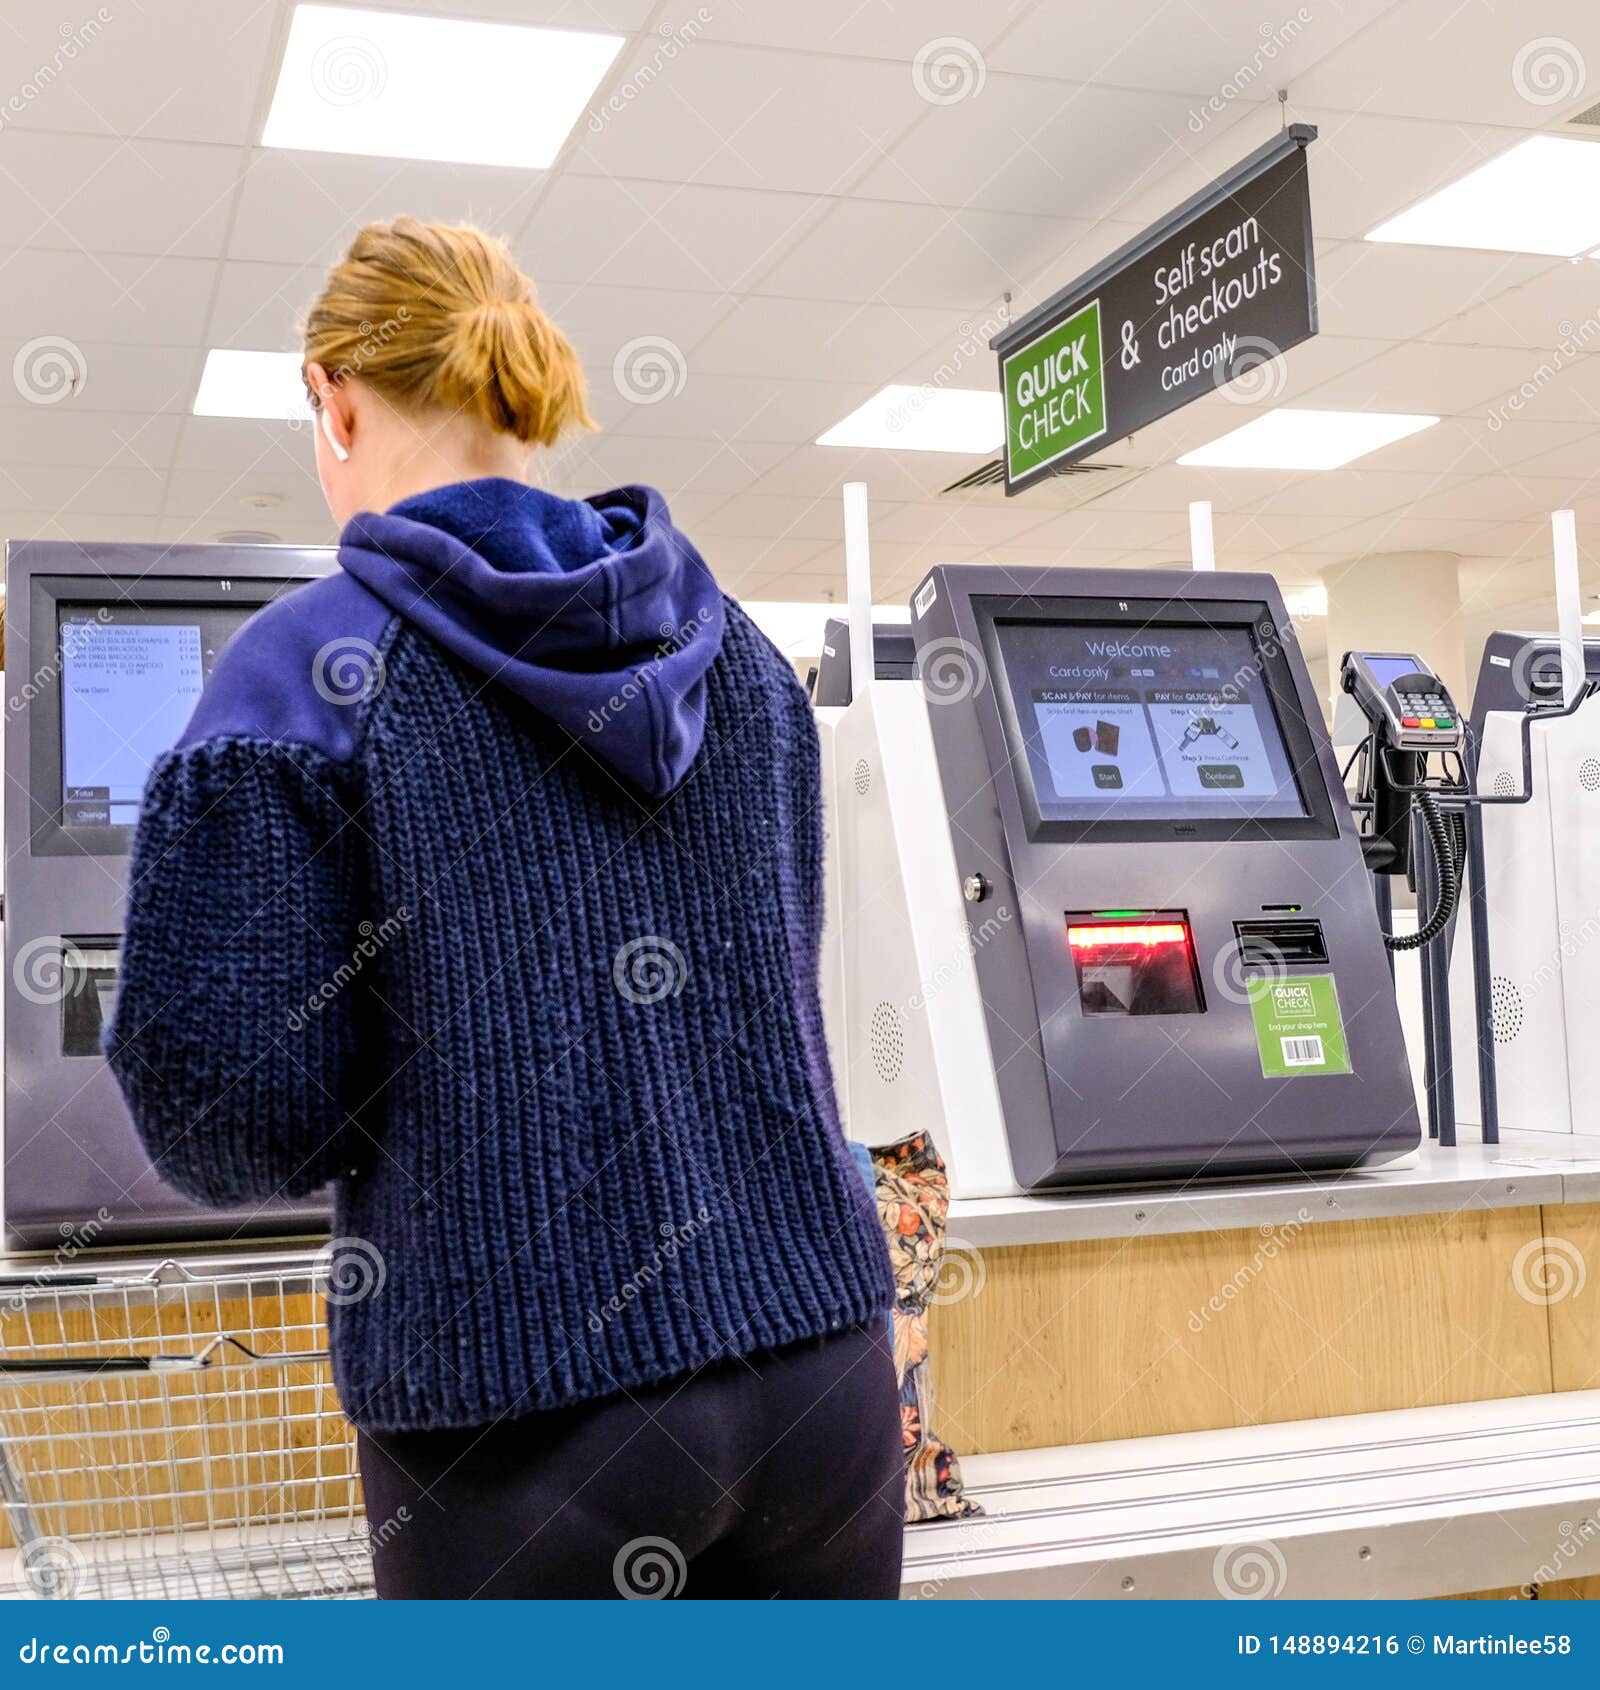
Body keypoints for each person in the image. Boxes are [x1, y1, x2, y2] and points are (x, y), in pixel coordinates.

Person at [106, 217, 901, 1600]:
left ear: (333, 399)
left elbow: (228, 1114)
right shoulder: (744, 656)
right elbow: (775, 979)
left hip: (520, 1416)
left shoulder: (305, 673)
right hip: (821, 1374)